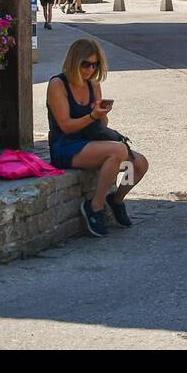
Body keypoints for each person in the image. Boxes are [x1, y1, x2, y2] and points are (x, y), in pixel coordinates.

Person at [47, 39, 149, 238]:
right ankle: (94, 206)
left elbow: (102, 126)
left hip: (91, 142)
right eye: (86, 64)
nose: (90, 69)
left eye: (95, 65)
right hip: (66, 146)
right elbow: (66, 126)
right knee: (117, 151)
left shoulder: (93, 84)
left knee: (138, 165)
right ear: (74, 61)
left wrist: (101, 113)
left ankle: (117, 200)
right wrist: (92, 116)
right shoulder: (58, 84)